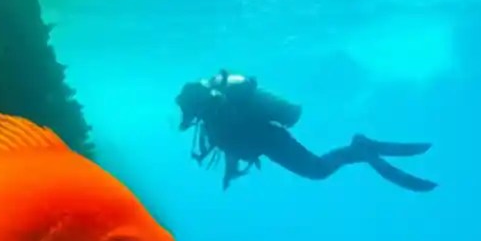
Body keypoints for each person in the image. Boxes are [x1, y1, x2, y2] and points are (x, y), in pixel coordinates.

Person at [174, 69, 437, 192]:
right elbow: (231, 140)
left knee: (317, 170)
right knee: (317, 168)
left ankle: (360, 148)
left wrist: (232, 168)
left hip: (272, 142)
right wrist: (231, 171)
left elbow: (232, 138)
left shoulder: (214, 115)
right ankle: (360, 148)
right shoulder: (215, 112)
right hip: (269, 142)